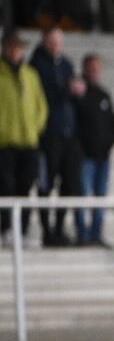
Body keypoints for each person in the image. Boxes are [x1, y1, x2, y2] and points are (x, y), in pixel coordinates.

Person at [28, 26, 81, 247]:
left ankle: (59, 227)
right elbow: (42, 97)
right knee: (45, 183)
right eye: (51, 40)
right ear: (43, 41)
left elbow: (72, 97)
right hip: (47, 134)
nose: (55, 44)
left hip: (68, 133)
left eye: (58, 40)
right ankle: (46, 229)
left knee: (69, 183)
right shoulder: (36, 65)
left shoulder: (67, 64)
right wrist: (66, 92)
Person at [0, 30, 48, 249]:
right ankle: (5, 229)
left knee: (25, 187)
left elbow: (41, 106)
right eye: (12, 46)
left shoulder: (30, 74)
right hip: (5, 142)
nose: (15, 51)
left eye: (19, 47)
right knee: (6, 187)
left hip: (28, 141)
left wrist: (34, 127)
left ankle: (22, 229)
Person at [73, 54, 114, 247]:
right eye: (91, 68)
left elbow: (113, 126)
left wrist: (108, 144)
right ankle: (82, 234)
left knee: (100, 197)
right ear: (84, 69)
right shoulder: (77, 94)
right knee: (82, 194)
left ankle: (96, 233)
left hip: (103, 157)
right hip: (84, 156)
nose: (94, 72)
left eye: (97, 68)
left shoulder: (103, 95)